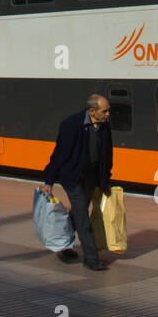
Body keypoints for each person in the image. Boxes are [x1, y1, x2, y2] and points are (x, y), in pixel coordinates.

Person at [40, 94, 114, 271]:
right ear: (92, 111)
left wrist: (106, 179)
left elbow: (107, 154)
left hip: (91, 176)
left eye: (108, 111)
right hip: (73, 177)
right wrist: (49, 181)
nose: (108, 114)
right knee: (82, 218)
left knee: (77, 213)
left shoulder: (104, 126)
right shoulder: (71, 125)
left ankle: (64, 246)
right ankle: (91, 259)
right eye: (105, 111)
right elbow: (59, 154)